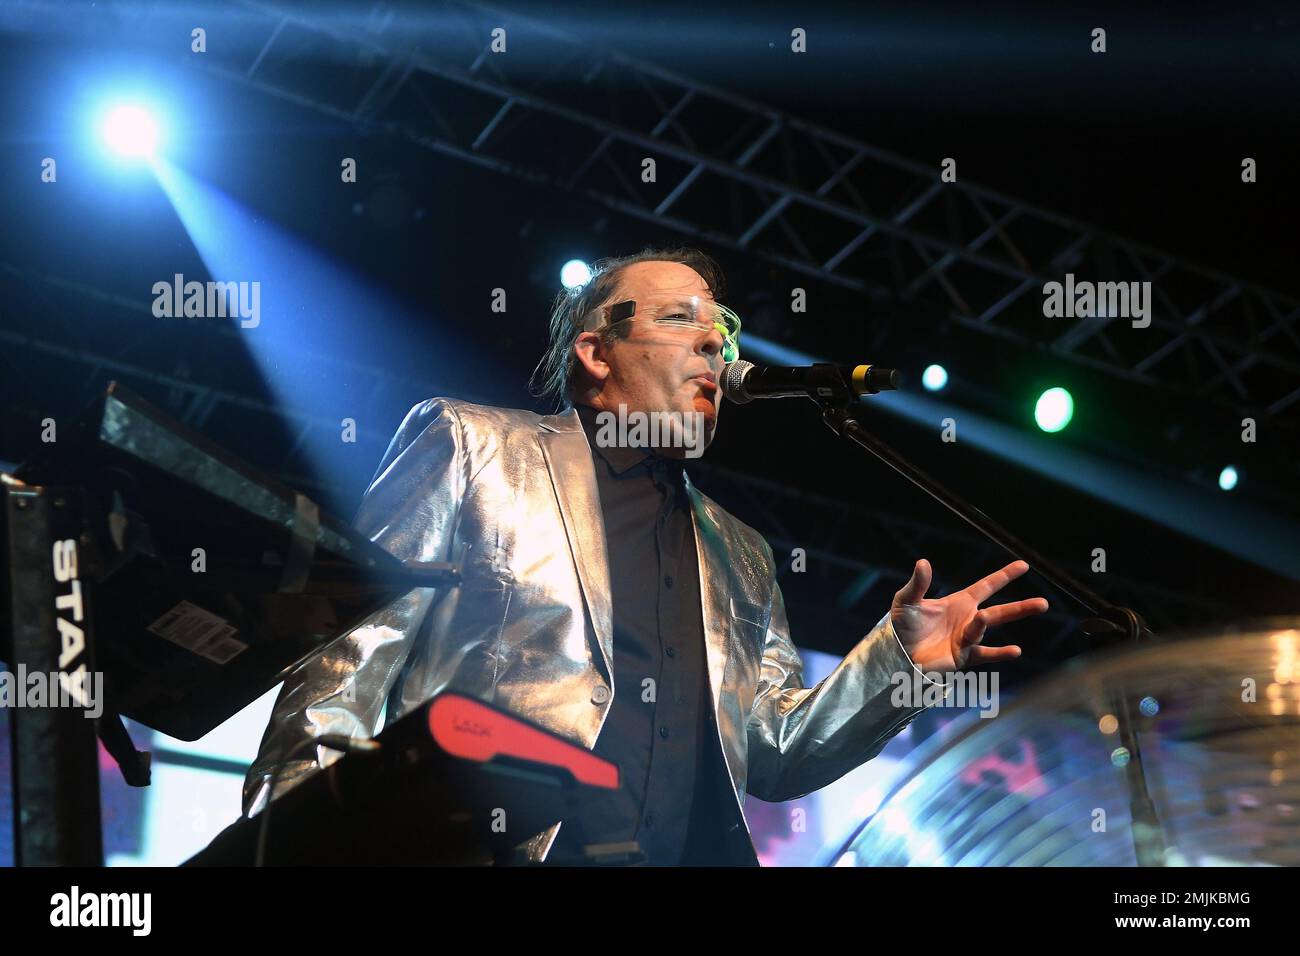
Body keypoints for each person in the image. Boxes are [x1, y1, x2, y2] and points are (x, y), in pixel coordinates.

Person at [242, 246, 1049, 865]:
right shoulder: (470, 448)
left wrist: (898, 665)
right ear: (597, 353)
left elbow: (770, 757)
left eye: (725, 328)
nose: (716, 345)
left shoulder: (741, 550)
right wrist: (291, 849)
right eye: (682, 320)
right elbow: (341, 667)